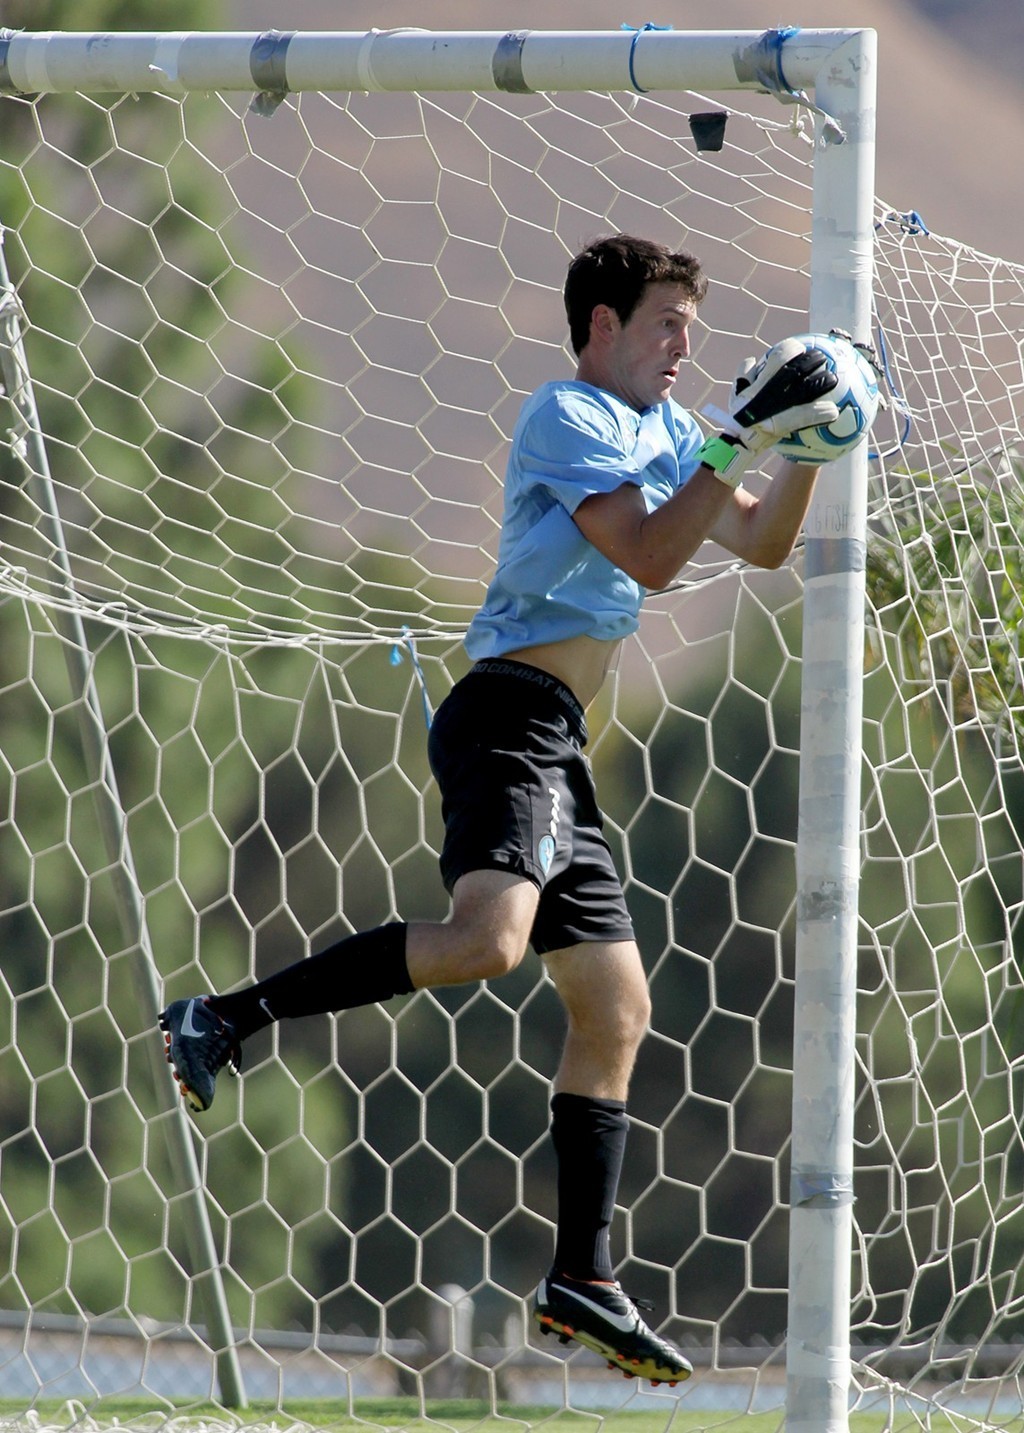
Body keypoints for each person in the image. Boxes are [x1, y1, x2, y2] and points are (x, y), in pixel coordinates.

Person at [160, 233, 841, 1388]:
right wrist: (742, 433)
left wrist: (807, 441)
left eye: (689, 323)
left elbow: (763, 542)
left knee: (613, 1004)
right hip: (506, 715)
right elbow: (649, 553)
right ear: (603, 326)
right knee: (489, 941)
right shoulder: (567, 416)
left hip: (557, 742)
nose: (685, 344)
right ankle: (225, 1015)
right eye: (665, 321)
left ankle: (582, 1277)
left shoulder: (679, 435)